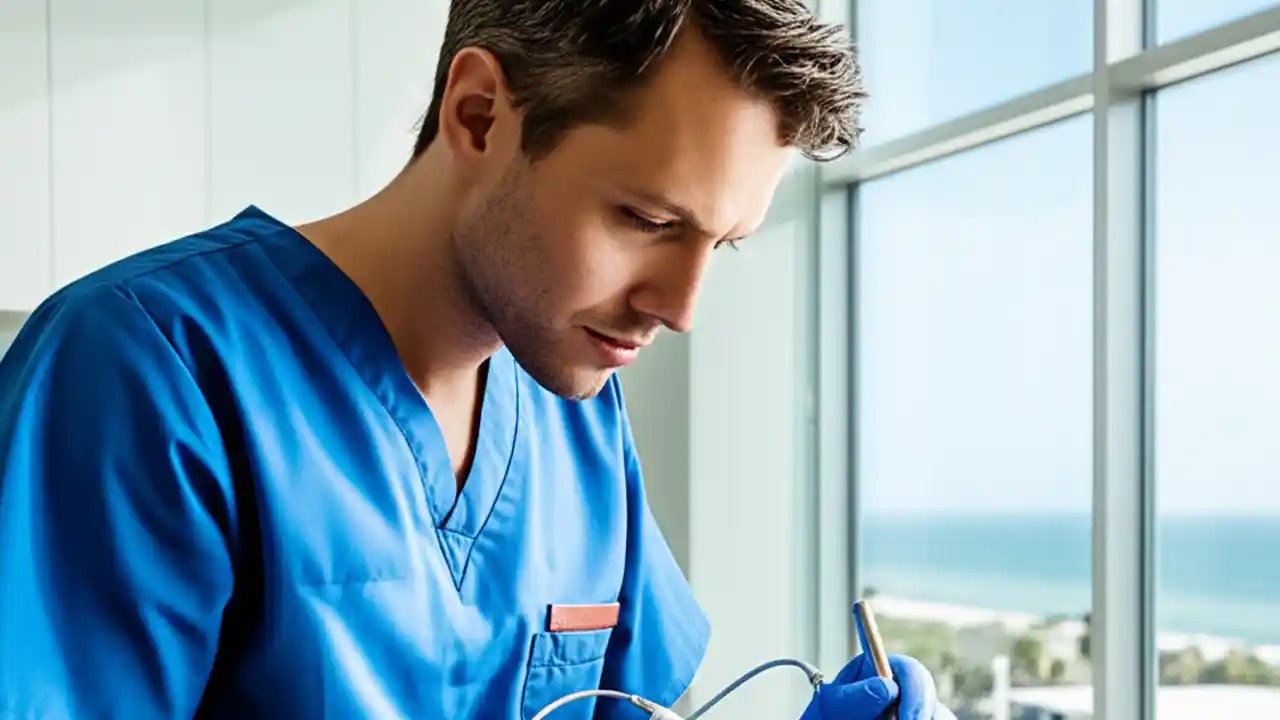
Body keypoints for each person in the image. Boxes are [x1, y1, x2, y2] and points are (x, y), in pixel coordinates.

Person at [0, 1, 954, 718]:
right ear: (481, 114)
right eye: (648, 221)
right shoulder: (147, 369)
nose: (680, 307)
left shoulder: (573, 411)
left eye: (724, 242)